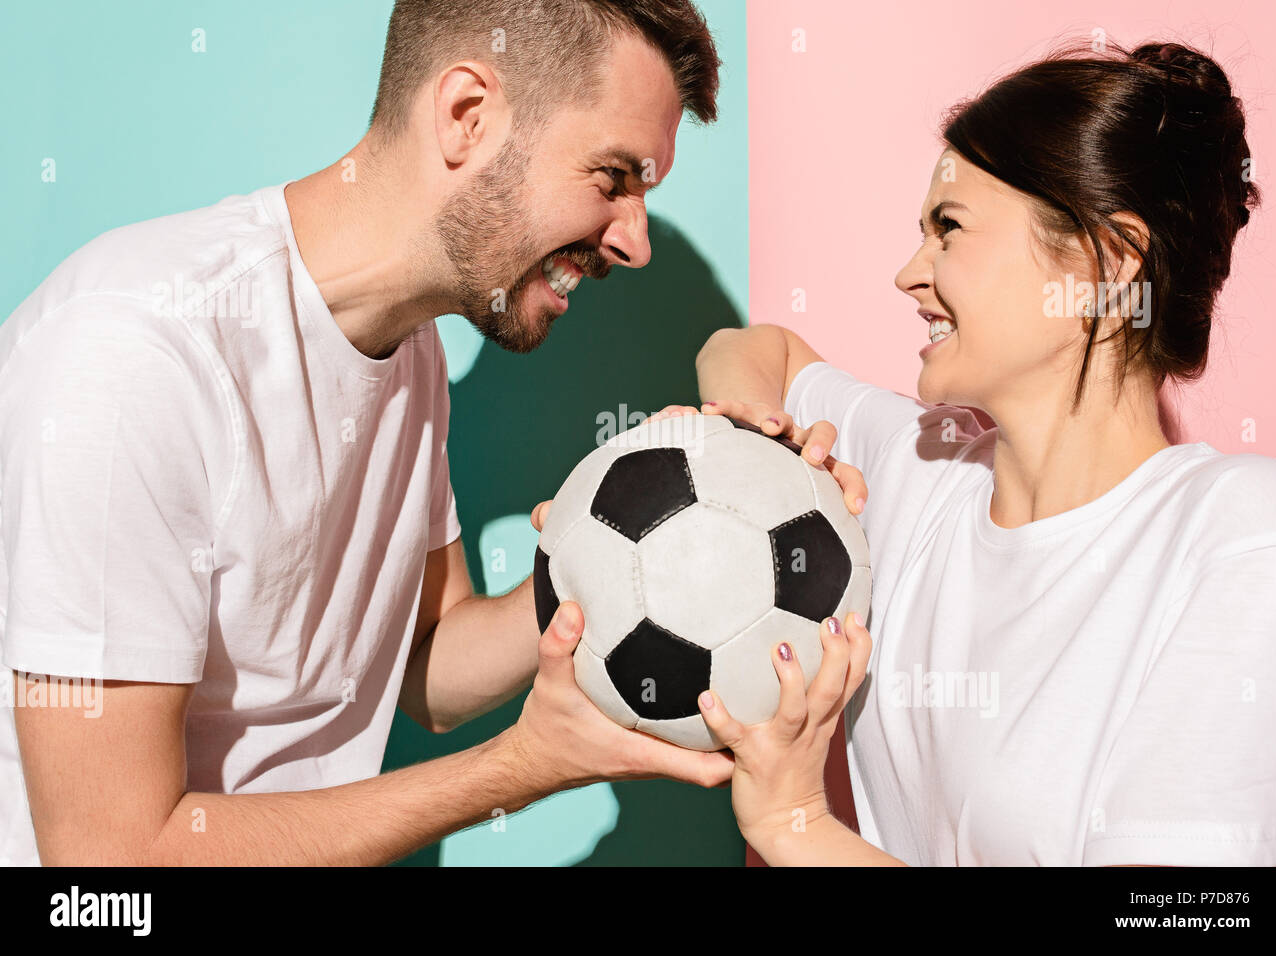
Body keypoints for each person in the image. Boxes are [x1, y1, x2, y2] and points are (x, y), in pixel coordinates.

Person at [0, 0, 777, 867]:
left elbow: (427, 666)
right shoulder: (136, 353)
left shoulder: (409, 354)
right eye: (612, 177)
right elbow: (110, 862)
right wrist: (520, 768)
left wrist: (641, 532)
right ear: (466, 117)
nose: (633, 241)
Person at [693, 40, 1276, 866]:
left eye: (949, 230)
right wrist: (760, 443)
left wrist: (795, 823)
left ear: (1107, 262)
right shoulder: (920, 469)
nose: (909, 274)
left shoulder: (1249, 539)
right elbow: (752, 349)